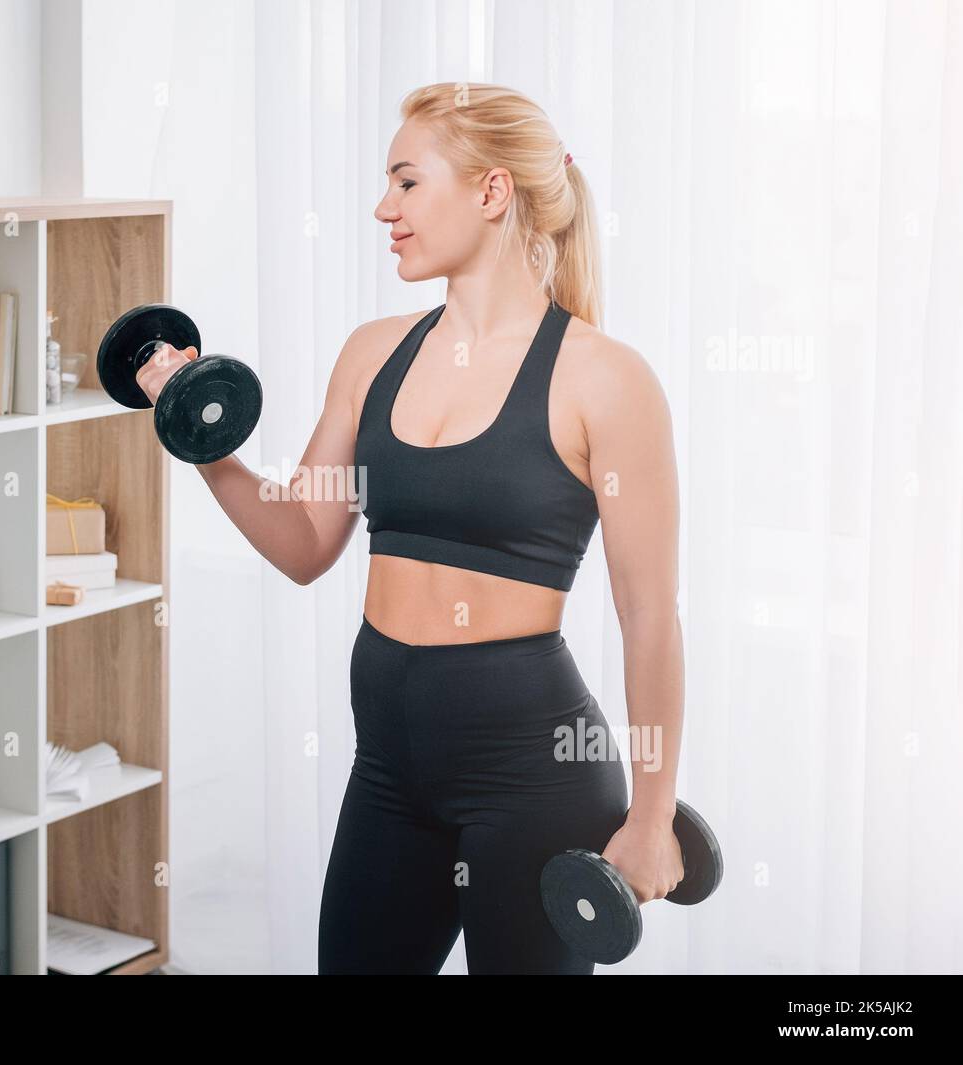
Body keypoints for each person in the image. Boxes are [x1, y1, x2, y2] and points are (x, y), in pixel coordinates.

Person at [136, 82, 686, 974]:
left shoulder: (604, 379)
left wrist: (654, 812)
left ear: (492, 191)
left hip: (532, 775)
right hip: (389, 768)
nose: (383, 209)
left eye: (406, 182)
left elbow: (650, 612)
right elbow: (307, 542)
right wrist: (203, 440)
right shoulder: (373, 352)